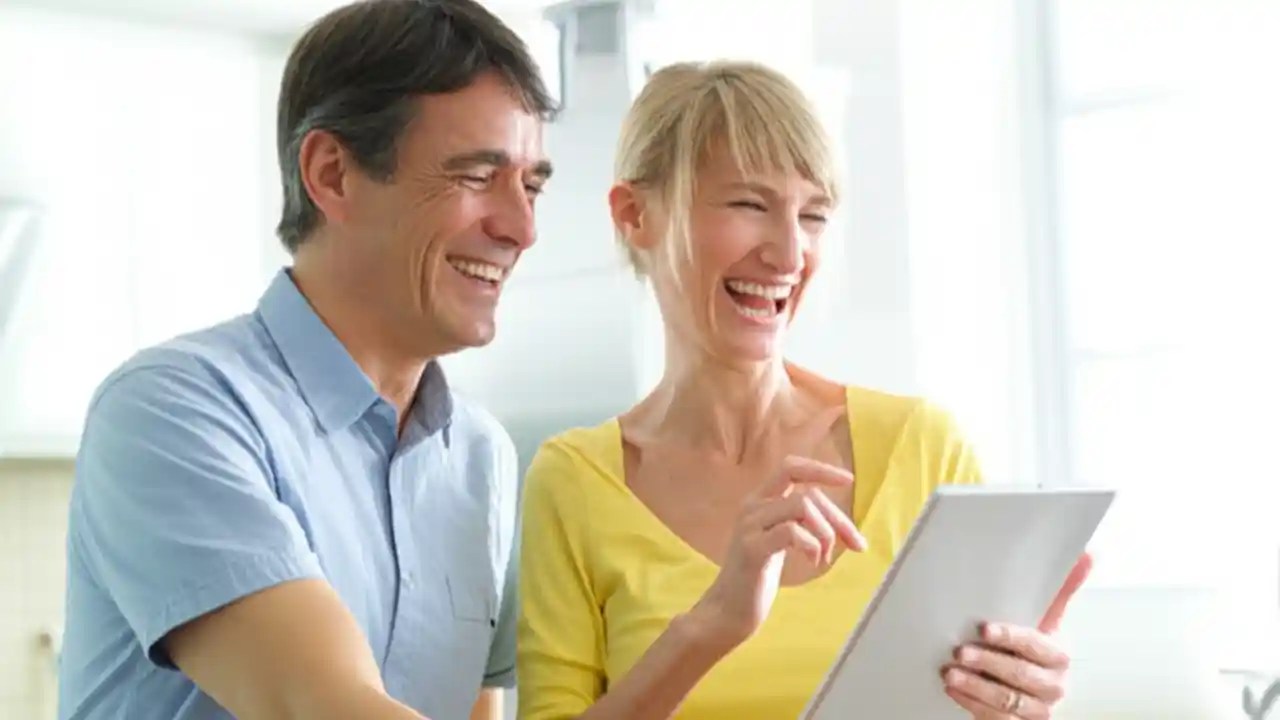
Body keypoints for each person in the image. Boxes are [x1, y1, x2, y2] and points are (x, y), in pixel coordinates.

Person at [516, 60, 1091, 720]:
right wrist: (712, 626)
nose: (790, 254)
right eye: (749, 205)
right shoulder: (575, 481)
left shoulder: (925, 448)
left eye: (814, 215)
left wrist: (1017, 703)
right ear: (634, 214)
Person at [57, 1, 556, 718]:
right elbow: (320, 704)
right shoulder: (171, 411)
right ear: (333, 174)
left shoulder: (483, 458)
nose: (522, 228)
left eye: (531, 186)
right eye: (478, 176)